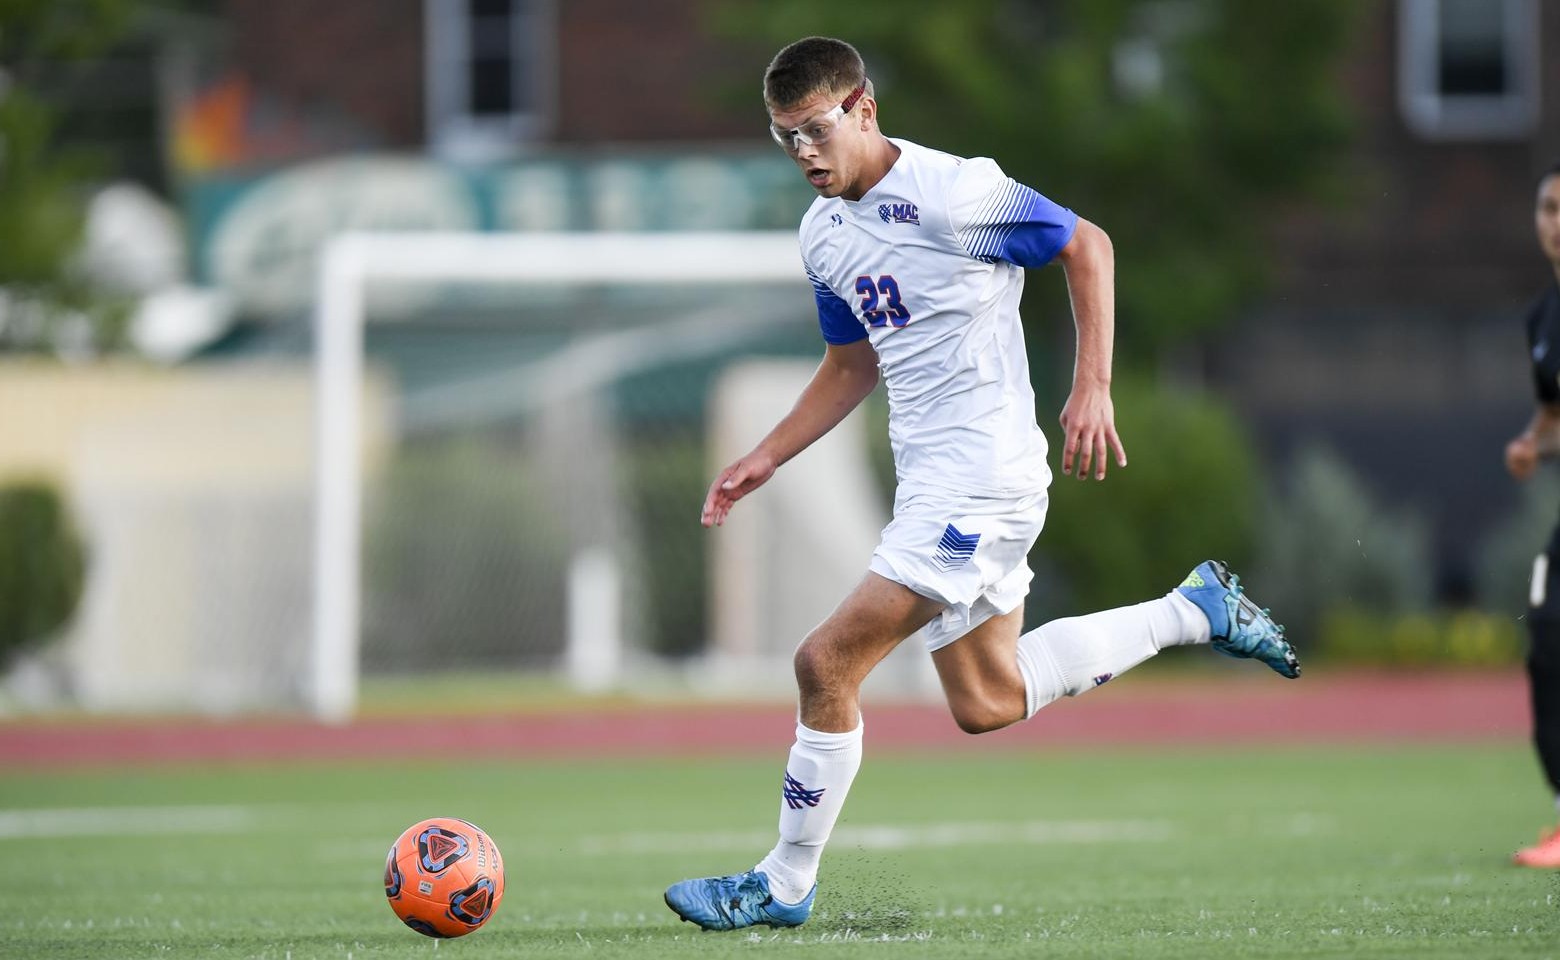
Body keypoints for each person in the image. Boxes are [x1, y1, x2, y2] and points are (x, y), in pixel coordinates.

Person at [663, 36, 1299, 931]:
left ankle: (784, 882)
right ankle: (1195, 610)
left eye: (815, 129)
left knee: (823, 662)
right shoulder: (823, 234)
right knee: (987, 700)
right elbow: (850, 365)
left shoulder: (955, 193)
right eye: (785, 137)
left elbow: (1088, 245)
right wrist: (769, 453)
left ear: (864, 108)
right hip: (934, 484)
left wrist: (1093, 385)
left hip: (982, 479)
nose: (803, 152)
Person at [1507, 161, 1560, 869]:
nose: (1557, 222)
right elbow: (1552, 413)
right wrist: (1531, 442)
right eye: (1549, 208)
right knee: (1548, 641)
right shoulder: (1542, 318)